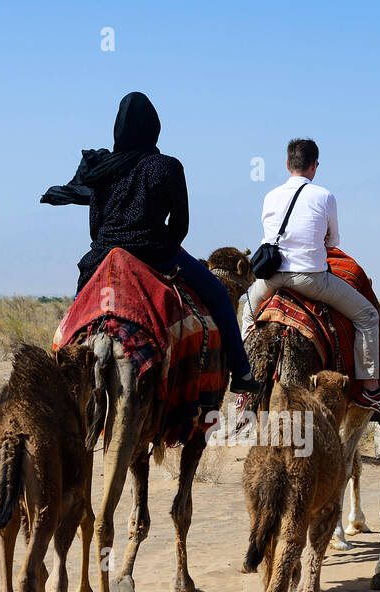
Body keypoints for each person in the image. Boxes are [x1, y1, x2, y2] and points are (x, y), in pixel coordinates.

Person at [41, 91, 258, 391]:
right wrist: (162, 243)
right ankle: (242, 375)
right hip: (155, 253)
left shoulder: (102, 170)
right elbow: (180, 226)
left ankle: (59, 377)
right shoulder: (167, 166)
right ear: (154, 127)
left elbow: (96, 229)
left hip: (104, 257)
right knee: (219, 295)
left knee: (75, 318)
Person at [238, 139, 380, 413]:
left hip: (271, 279)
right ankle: (370, 389)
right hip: (311, 280)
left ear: (287, 164)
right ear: (314, 166)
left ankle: (245, 383)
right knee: (367, 315)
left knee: (246, 311)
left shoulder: (270, 196)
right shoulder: (324, 196)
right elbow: (333, 242)